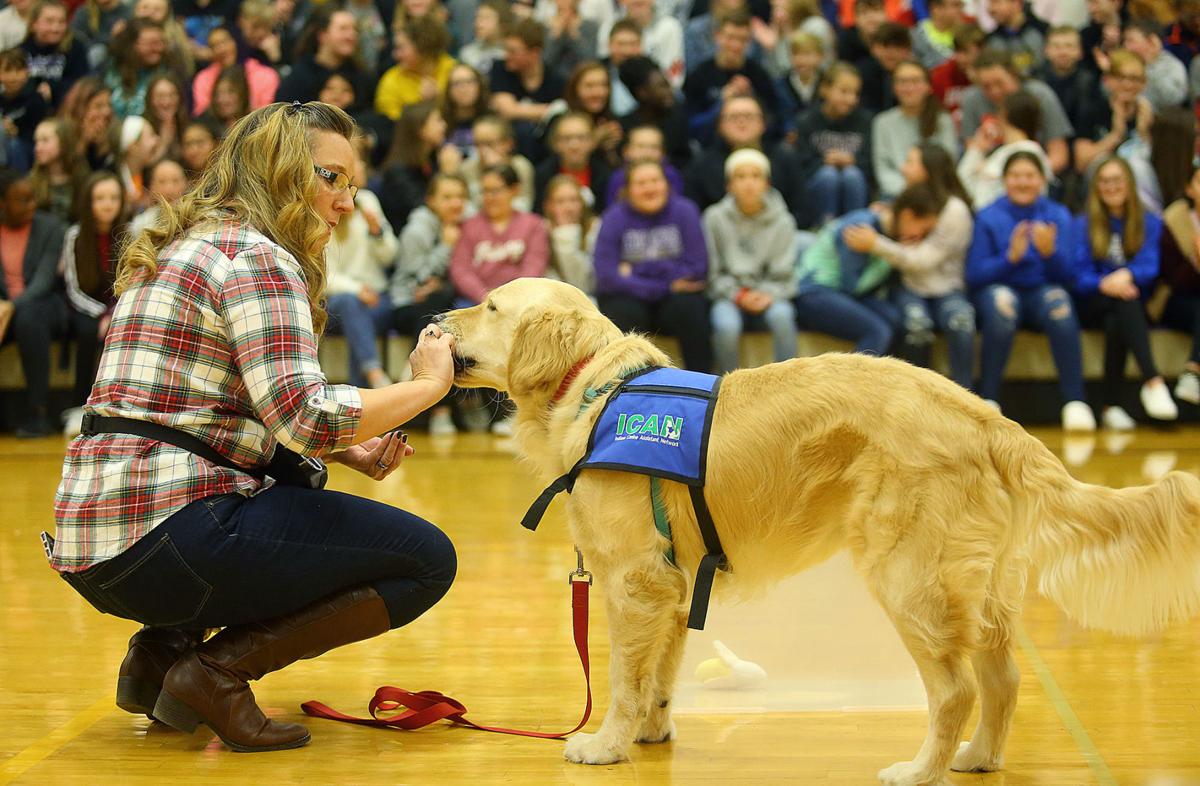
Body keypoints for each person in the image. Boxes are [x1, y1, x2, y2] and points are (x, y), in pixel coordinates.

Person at [50, 101, 458, 753]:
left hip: (96, 543)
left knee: (294, 509)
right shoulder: (261, 258)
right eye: (331, 178)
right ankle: (217, 672)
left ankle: (160, 652)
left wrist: (349, 452)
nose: (346, 201)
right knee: (427, 559)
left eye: (352, 183)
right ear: (280, 171)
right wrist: (427, 386)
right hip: (170, 535)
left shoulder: (188, 243)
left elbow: (211, 408)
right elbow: (305, 415)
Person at [965, 150, 1094, 429]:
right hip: (998, 291)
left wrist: (1050, 254)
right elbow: (974, 275)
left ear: (1042, 180)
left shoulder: (1058, 215)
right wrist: (1009, 259)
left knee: (1060, 304)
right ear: (1004, 180)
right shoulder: (988, 216)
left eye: (1030, 176)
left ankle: (1075, 400)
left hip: (1042, 292)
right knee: (1002, 304)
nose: (1022, 182)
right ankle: (988, 398)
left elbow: (1070, 275)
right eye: (1015, 176)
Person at [843, 144, 975, 389]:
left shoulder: (954, 210)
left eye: (911, 162)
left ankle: (971, 400)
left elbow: (923, 261)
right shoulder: (907, 198)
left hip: (946, 288)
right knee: (916, 328)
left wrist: (876, 243)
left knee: (961, 322)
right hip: (908, 287)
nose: (903, 168)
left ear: (929, 171)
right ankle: (915, 402)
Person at [1069, 156, 1177, 427]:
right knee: (1126, 300)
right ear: (1096, 187)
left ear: (1129, 184)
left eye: (1117, 180)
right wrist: (1104, 283)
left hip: (1127, 302)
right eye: (1104, 181)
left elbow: (1151, 266)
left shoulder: (1149, 221)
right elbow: (1077, 275)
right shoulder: (1083, 223)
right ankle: (1152, 381)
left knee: (1120, 312)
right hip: (1090, 301)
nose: (1110, 186)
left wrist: (1126, 275)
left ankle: (1110, 407)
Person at [593, 159, 712, 372]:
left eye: (655, 181)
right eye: (641, 183)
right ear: (628, 190)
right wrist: (666, 285)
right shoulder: (613, 218)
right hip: (632, 299)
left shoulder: (685, 211)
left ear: (667, 184)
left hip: (671, 301)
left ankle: (703, 385)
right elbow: (607, 276)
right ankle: (627, 390)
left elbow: (696, 268)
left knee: (690, 307)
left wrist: (635, 270)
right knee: (620, 310)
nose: (649, 188)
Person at [703, 148, 798, 373]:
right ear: (729, 185)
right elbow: (711, 273)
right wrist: (738, 295)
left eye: (756, 176)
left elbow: (785, 274)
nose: (749, 183)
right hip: (728, 294)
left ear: (767, 183)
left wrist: (765, 294)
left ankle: (789, 385)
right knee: (726, 326)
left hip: (769, 294)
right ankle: (727, 390)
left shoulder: (784, 220)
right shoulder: (714, 217)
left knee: (783, 316)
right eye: (741, 176)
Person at [391, 173, 467, 435]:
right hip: (406, 303)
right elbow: (417, 278)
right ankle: (440, 411)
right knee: (436, 310)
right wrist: (446, 246)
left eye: (460, 197)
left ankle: (411, 373)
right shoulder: (418, 229)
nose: (455, 203)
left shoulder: (464, 226)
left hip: (440, 300)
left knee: (442, 306)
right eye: (447, 197)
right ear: (431, 200)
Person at [59, 171, 129, 436]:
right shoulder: (75, 235)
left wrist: (112, 314)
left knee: (123, 329)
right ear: (88, 202)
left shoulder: (129, 232)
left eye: (113, 197)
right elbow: (72, 289)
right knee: (88, 331)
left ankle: (120, 406)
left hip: (119, 307)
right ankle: (79, 407)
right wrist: (101, 314)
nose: (107, 204)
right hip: (84, 306)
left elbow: (132, 279)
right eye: (100, 198)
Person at [326, 142, 400, 390]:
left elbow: (390, 256)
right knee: (350, 306)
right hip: (338, 301)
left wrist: (377, 232)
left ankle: (363, 396)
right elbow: (324, 274)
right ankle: (375, 375)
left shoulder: (369, 200)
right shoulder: (324, 204)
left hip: (377, 297)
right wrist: (357, 290)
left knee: (359, 320)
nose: (364, 166)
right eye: (358, 161)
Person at [0, 166, 65, 436]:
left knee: (28, 318)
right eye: (22, 199)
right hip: (3, 308)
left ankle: (37, 413)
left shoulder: (50, 227)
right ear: (2, 203)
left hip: (44, 307)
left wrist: (10, 306)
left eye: (32, 198)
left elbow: (44, 280)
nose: (32, 204)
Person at [871, 60, 958, 198]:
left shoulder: (943, 121)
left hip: (936, 194)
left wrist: (925, 191)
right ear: (894, 87)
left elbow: (948, 164)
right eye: (902, 81)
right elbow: (883, 171)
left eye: (915, 81)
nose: (909, 87)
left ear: (929, 86)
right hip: (896, 194)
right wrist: (909, 191)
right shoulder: (882, 122)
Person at [1158, 166, 1200, 406]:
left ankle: (1194, 371)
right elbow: (1169, 277)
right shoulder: (1174, 220)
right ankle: (1193, 371)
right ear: (1189, 189)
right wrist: (1196, 264)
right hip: (1175, 299)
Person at [542, 174, 598, 294]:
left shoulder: (595, 228)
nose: (568, 207)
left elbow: (583, 283)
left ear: (582, 203)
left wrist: (567, 233)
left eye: (574, 200)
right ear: (549, 206)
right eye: (560, 201)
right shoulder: (541, 229)